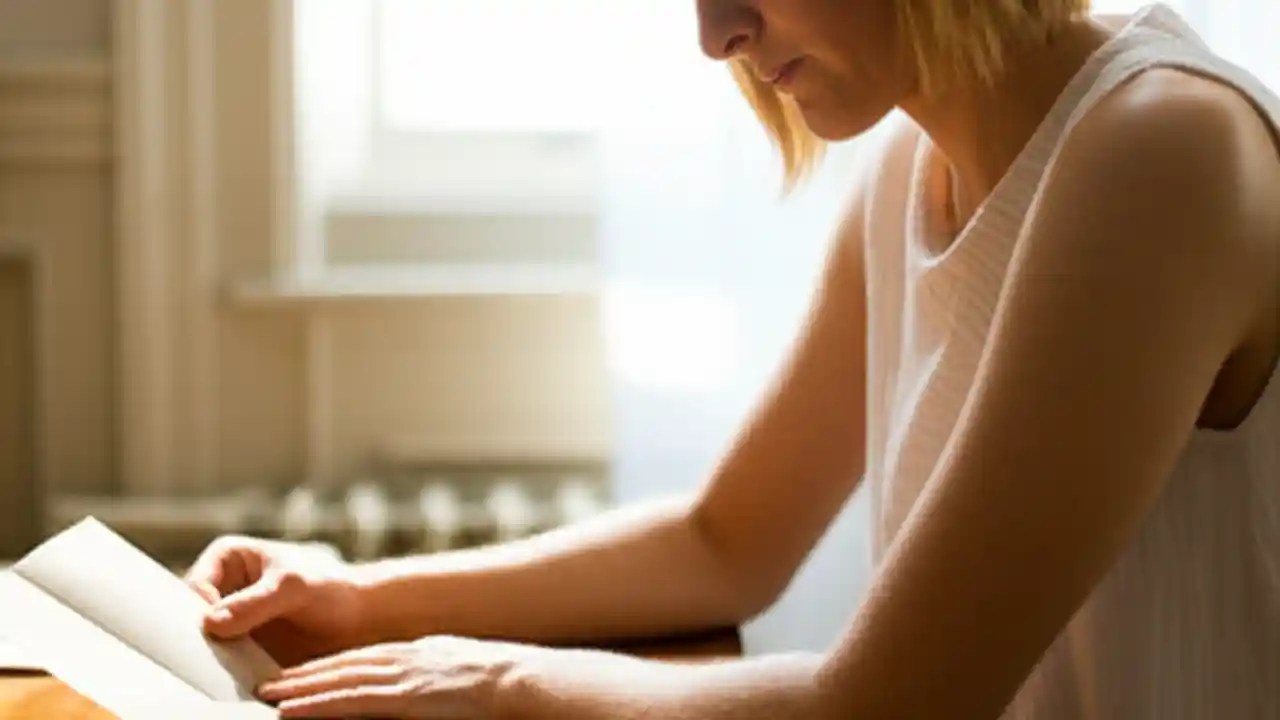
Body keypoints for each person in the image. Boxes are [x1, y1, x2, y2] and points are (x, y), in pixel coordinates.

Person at [187, 2, 1280, 718]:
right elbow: (727, 541)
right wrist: (361, 597)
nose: (715, 34)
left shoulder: (1159, 155)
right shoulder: (912, 163)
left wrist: (493, 676)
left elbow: (889, 705)